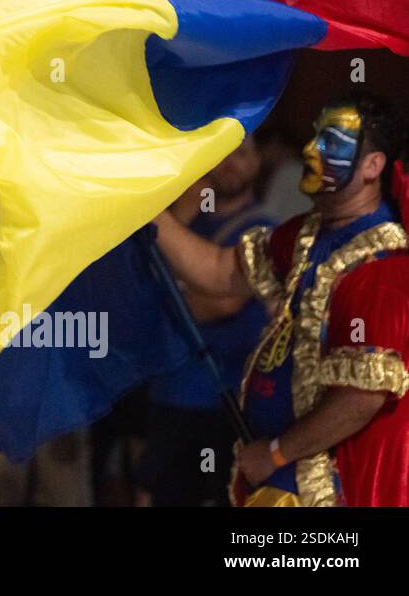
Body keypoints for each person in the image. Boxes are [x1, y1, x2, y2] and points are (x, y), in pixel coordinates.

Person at [155, 95, 409, 506]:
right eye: (315, 137)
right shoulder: (306, 236)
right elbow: (220, 271)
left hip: (334, 489)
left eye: (331, 143)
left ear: (372, 166)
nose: (311, 149)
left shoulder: (383, 266)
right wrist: (148, 213)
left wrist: (277, 452)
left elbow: (361, 397)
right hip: (281, 479)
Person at [137, 137, 273, 506]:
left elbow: (225, 301)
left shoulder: (263, 229)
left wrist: (168, 297)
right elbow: (136, 286)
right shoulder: (184, 222)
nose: (230, 163)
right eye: (222, 153)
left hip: (223, 398)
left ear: (258, 163)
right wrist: (178, 215)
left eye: (242, 153)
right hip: (169, 391)